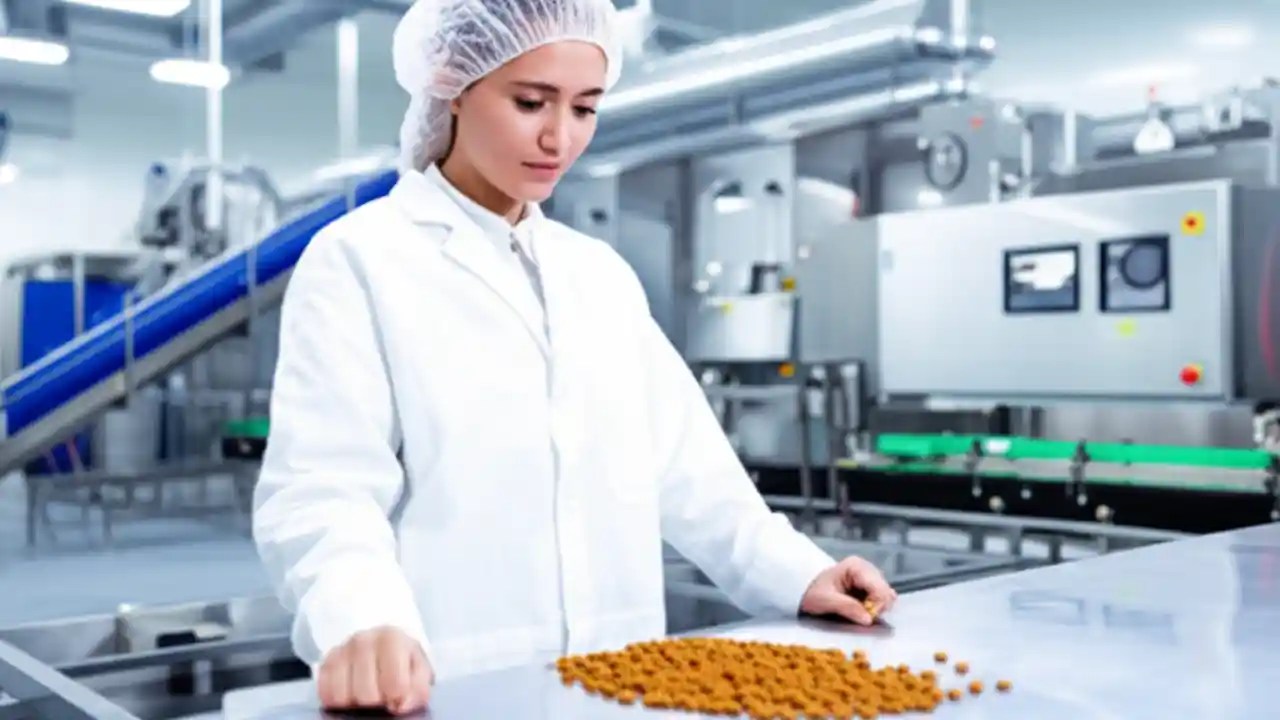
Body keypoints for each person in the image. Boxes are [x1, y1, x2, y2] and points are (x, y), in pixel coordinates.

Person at [251, 0, 898, 715]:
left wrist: (801, 574)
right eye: (530, 102)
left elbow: (692, 476)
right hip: (454, 681)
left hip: (624, 683)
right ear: (451, 82)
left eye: (586, 108)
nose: (559, 138)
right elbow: (323, 489)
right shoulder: (361, 260)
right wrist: (362, 617)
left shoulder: (599, 275)